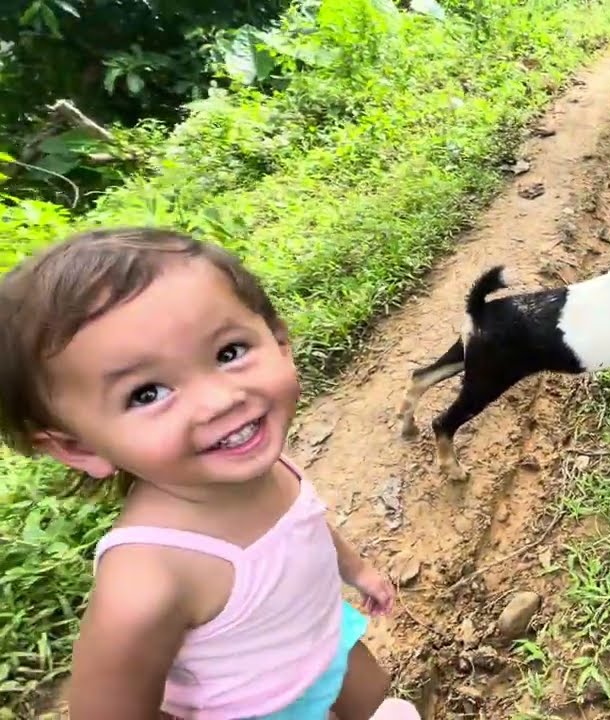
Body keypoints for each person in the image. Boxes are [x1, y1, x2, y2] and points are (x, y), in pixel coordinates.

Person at [0, 228, 422, 719]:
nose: (220, 401)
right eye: (147, 393)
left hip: (324, 642)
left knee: (374, 698)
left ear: (279, 342)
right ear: (78, 446)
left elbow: (302, 522)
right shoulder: (146, 580)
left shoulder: (262, 463)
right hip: (251, 709)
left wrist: (357, 570)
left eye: (229, 353)